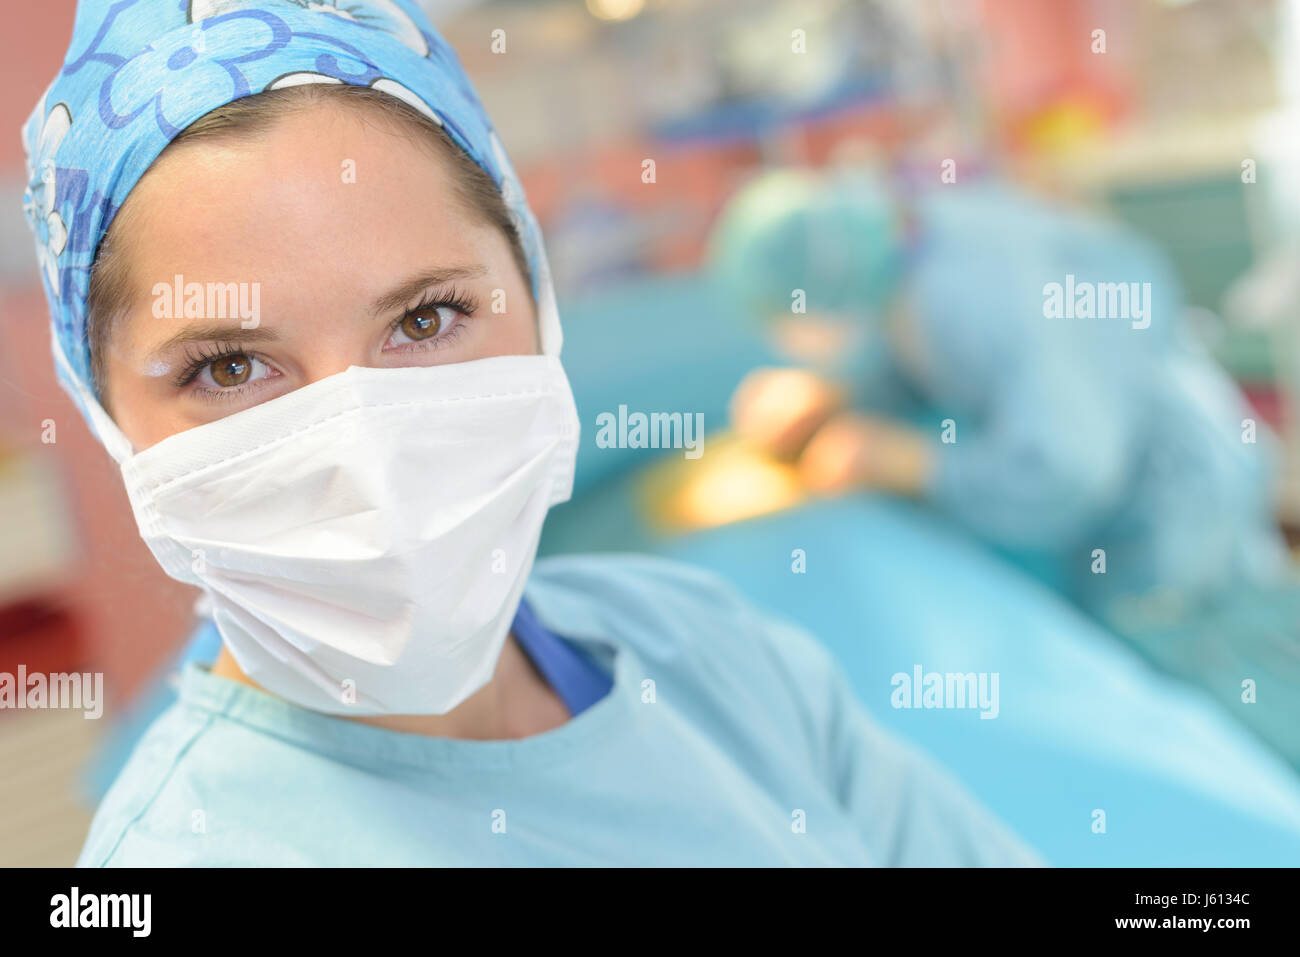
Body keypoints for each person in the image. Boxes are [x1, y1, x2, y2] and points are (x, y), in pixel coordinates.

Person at [22, 0, 1039, 867]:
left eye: (424, 319)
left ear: (537, 303)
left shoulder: (713, 660)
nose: (362, 446)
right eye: (230, 368)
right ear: (108, 418)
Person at [709, 165, 1300, 768]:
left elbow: (1072, 470)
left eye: (789, 315)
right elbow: (939, 365)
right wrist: (844, 401)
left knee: (1236, 727)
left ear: (820, 285)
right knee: (1250, 654)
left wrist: (920, 466)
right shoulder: (923, 244)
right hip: (1188, 472)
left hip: (1169, 518)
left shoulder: (967, 295)